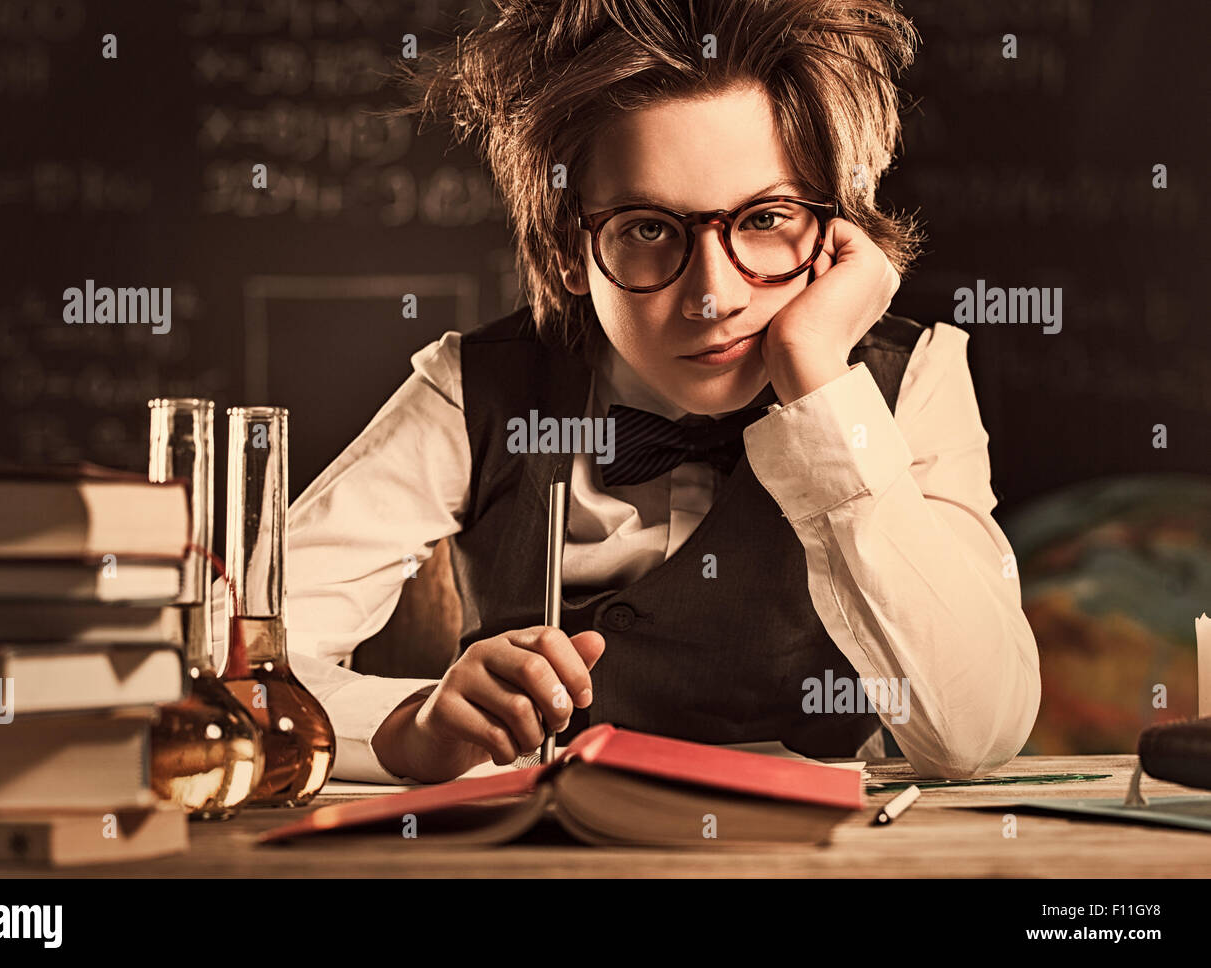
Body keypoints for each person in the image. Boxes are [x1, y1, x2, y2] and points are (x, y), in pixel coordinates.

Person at [260, 0, 1040, 784]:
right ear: (571, 250)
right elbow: (237, 662)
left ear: (835, 235)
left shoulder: (914, 380)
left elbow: (978, 734)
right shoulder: (476, 388)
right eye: (646, 228)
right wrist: (404, 730)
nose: (713, 296)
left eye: (767, 217)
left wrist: (818, 382)